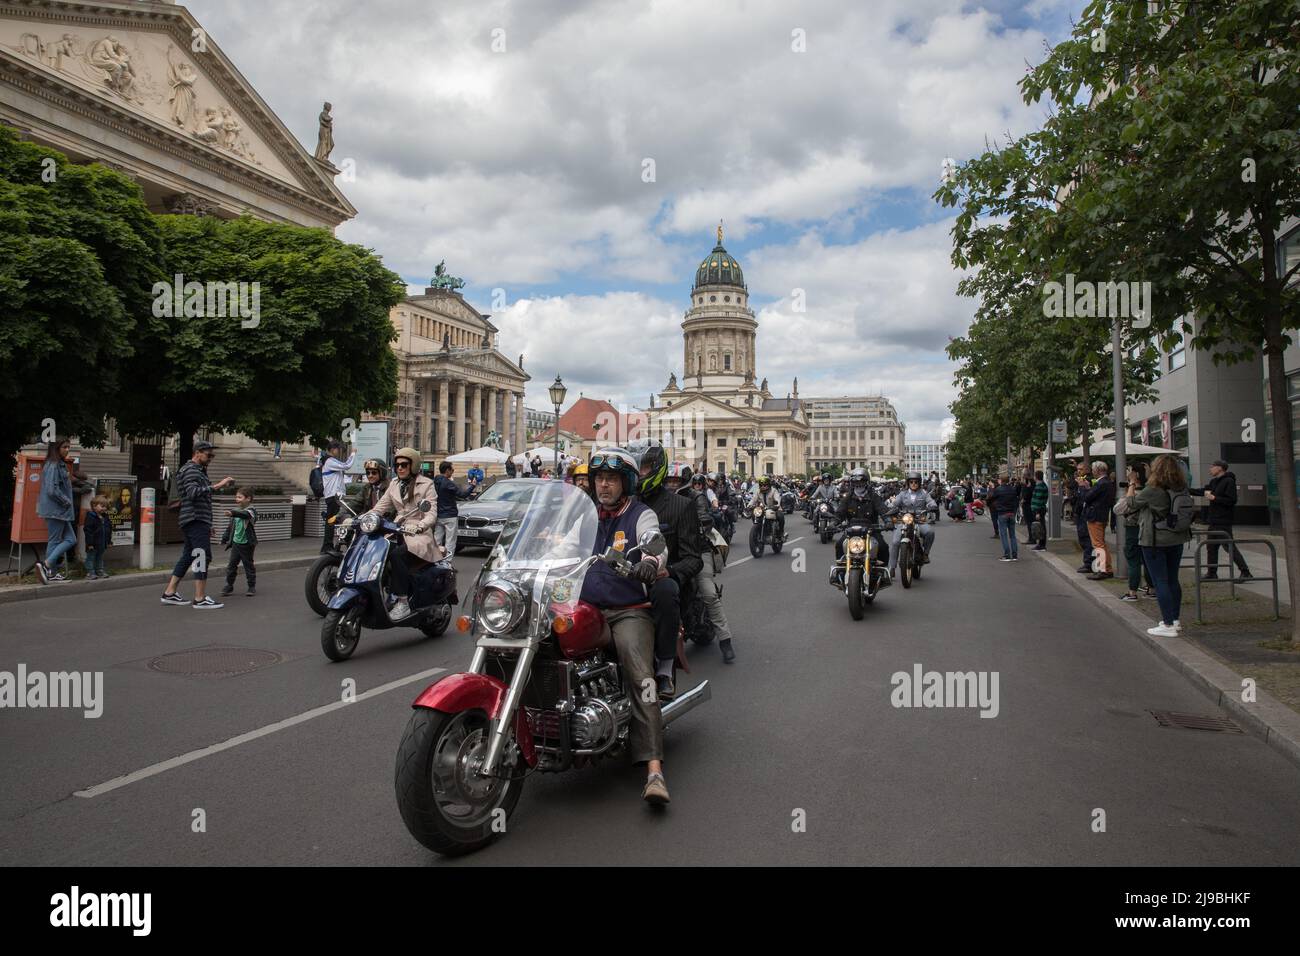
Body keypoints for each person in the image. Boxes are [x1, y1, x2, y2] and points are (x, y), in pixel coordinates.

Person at [580, 447, 670, 805]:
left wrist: (651, 559)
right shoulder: (585, 515)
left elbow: (654, 540)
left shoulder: (640, 514)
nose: (603, 485)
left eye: (611, 479)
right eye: (599, 478)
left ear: (626, 483)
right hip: (581, 606)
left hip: (626, 608)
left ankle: (654, 771)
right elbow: (560, 540)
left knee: (640, 675)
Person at [634, 444, 702, 700]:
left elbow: (694, 559)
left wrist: (670, 572)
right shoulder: (626, 503)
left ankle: (664, 668)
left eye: (645, 468)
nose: (640, 473)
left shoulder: (681, 506)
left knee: (665, 590)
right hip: (628, 576)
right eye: (637, 467)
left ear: (657, 469)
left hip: (665, 579)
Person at [367, 447, 441, 621]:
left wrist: (421, 526)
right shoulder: (394, 484)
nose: (399, 468)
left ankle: (402, 602)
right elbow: (381, 507)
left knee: (397, 555)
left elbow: (431, 513)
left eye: (404, 465)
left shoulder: (427, 484)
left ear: (413, 466)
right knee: (376, 551)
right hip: (397, 528)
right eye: (397, 465)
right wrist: (364, 518)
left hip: (418, 533)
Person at [161, 441, 235, 608]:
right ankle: (200, 598)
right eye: (209, 455)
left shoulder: (194, 470)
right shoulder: (191, 470)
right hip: (194, 519)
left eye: (212, 455)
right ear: (197, 453)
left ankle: (169, 592)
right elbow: (193, 493)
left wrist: (207, 524)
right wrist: (218, 485)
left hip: (195, 519)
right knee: (202, 555)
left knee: (188, 555)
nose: (211, 458)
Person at [1131, 454, 1193, 637]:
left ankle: (1167, 625)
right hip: (1177, 538)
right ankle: (1174, 620)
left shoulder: (1153, 490)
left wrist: (1132, 485)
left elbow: (1132, 503)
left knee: (1161, 581)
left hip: (1155, 540)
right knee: (1173, 579)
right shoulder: (1181, 488)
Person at [1192, 459, 1251, 579]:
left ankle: (1245, 571)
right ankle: (1212, 572)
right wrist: (1185, 489)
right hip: (1214, 520)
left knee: (1228, 546)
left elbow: (1231, 500)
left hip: (1223, 520)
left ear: (1220, 468)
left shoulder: (1229, 482)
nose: (1210, 469)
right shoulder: (1214, 482)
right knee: (1211, 546)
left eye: (1212, 466)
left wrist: (1215, 498)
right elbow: (1203, 491)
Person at [831, 468, 890, 586]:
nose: (859, 484)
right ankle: (840, 574)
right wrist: (834, 522)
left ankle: (882, 574)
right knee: (839, 545)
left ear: (866, 482)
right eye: (856, 482)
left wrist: (888, 521)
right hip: (851, 530)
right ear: (852, 483)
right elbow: (840, 512)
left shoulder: (873, 496)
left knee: (883, 547)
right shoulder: (848, 497)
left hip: (871, 530)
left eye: (861, 481)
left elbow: (883, 510)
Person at [34, 437, 76, 584]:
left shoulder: (57, 464)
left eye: (68, 447)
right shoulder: (54, 465)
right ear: (56, 448)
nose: (67, 450)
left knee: (69, 539)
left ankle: (51, 571)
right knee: (58, 540)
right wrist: (67, 502)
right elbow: (52, 490)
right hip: (57, 510)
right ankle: (47, 566)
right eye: (64, 447)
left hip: (58, 510)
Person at [1113, 462, 1155, 602]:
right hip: (1150, 529)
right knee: (1149, 560)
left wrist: (1131, 485)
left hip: (1133, 529)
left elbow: (1118, 509)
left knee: (1133, 561)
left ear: (1135, 476)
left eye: (1129, 472)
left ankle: (1132, 592)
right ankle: (1151, 589)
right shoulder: (1152, 491)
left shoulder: (1135, 494)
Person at [886, 473, 936, 575]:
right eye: (911, 482)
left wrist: (932, 505)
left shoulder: (924, 493)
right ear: (908, 483)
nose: (913, 484)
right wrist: (890, 506)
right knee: (895, 542)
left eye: (916, 482)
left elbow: (931, 502)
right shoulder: (902, 494)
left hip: (919, 521)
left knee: (930, 532)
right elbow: (895, 503)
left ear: (919, 483)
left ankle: (925, 554)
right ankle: (892, 567)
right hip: (904, 521)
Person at [432, 461, 478, 559]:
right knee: (450, 541)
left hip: (438, 514)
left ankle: (433, 560)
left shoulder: (434, 482)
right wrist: (473, 486)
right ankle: (447, 562)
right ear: (447, 470)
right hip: (450, 515)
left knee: (436, 540)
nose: (453, 472)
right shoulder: (449, 483)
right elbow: (463, 494)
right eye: (452, 470)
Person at [220, 487, 258, 597]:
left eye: (240, 497)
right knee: (231, 566)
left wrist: (233, 513)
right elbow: (230, 527)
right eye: (236, 497)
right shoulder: (235, 512)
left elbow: (245, 515)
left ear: (248, 499)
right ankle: (229, 586)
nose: (237, 499)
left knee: (248, 566)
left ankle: (251, 586)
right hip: (236, 543)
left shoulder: (252, 511)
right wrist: (225, 538)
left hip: (247, 544)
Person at [319, 440, 355, 554]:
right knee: (333, 521)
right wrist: (353, 453)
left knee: (339, 519)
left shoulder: (329, 461)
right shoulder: (330, 461)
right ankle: (327, 546)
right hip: (334, 496)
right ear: (333, 449)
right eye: (338, 449)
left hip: (334, 496)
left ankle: (344, 543)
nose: (339, 451)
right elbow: (346, 466)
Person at [1084, 461, 1116, 579]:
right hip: (1101, 515)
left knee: (1097, 544)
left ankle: (1103, 569)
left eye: (1093, 470)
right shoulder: (1107, 483)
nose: (1092, 472)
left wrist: (1086, 488)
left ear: (1097, 470)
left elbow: (1088, 497)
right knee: (1101, 543)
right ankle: (1107, 568)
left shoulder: (1101, 483)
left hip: (1095, 516)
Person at [988, 474, 1021, 561]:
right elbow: (1016, 500)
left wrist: (990, 504)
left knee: (1003, 535)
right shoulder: (1013, 489)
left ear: (1001, 481)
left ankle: (1007, 555)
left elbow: (991, 498)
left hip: (1002, 513)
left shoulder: (998, 489)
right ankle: (1015, 555)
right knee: (1012, 535)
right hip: (1011, 513)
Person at [83, 495, 112, 579]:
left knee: (100, 557)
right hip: (93, 543)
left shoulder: (105, 517)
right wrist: (89, 543)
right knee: (91, 557)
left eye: (105, 507)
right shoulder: (91, 516)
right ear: (94, 506)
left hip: (102, 542)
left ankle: (99, 570)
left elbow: (109, 529)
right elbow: (88, 531)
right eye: (102, 506)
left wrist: (109, 541)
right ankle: (90, 572)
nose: (104, 508)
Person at [1072, 463, 1094, 572]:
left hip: (1084, 514)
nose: (1079, 471)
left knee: (1086, 538)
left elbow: (1083, 498)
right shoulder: (1080, 480)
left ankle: (1089, 563)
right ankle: (1088, 561)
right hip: (1080, 513)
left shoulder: (1086, 481)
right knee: (1083, 538)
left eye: (1081, 469)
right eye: (1077, 469)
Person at [753, 475, 785, 541]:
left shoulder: (773, 491)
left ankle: (780, 533)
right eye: (761, 485)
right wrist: (748, 506)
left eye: (765, 485)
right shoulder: (758, 492)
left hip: (775, 508)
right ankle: (758, 529)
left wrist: (777, 504)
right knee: (754, 514)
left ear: (768, 485)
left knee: (780, 516)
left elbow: (777, 498)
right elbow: (753, 499)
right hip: (763, 509)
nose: (763, 487)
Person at [1030, 470, 1050, 550]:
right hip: (1041, 508)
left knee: (1040, 527)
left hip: (1039, 509)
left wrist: (1037, 512)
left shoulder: (1039, 487)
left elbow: (1038, 499)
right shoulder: (1043, 485)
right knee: (1041, 526)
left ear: (1036, 477)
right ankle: (1041, 544)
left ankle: (1041, 544)